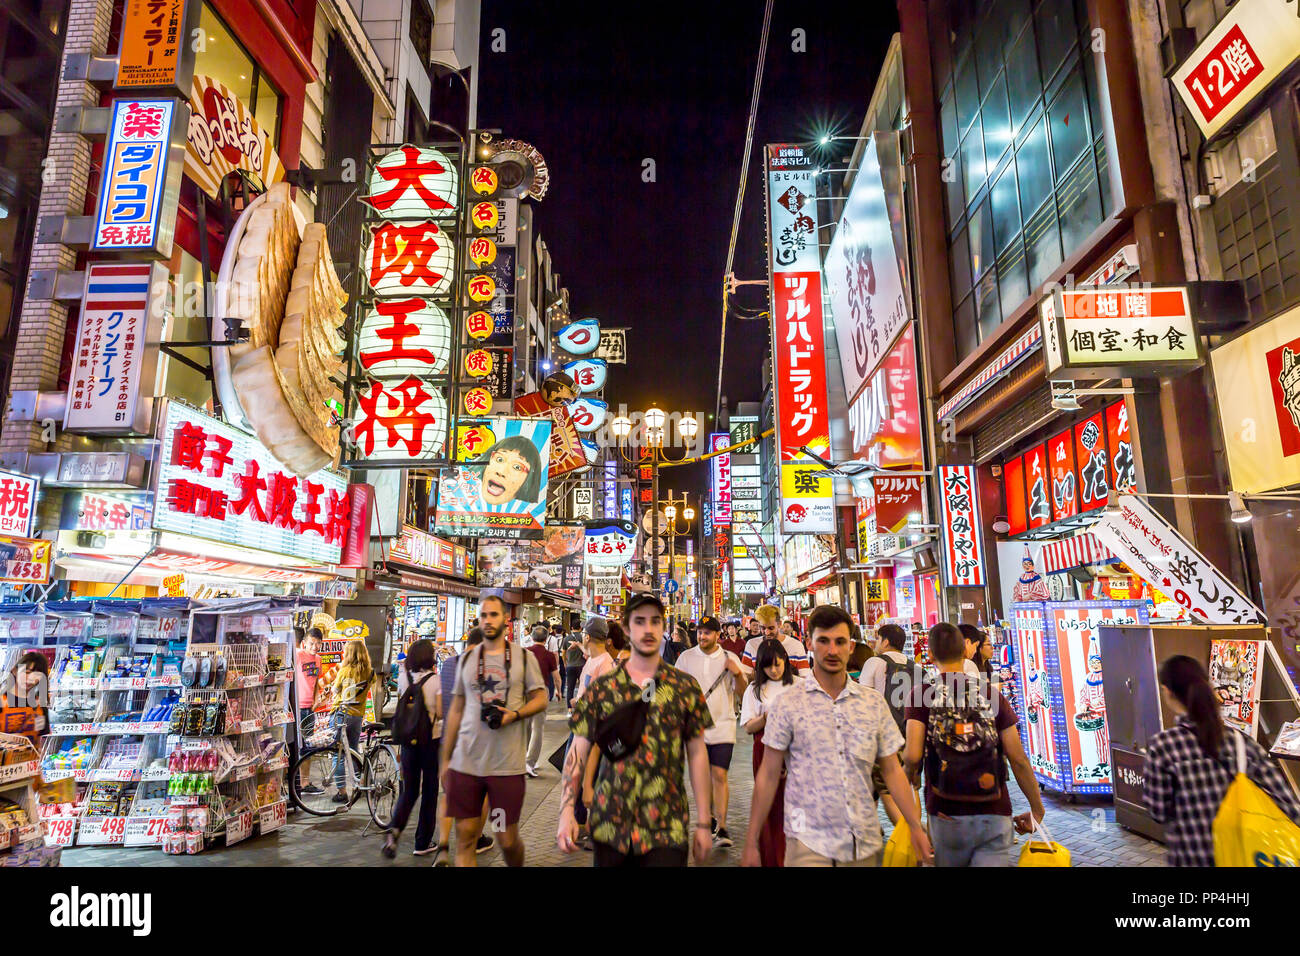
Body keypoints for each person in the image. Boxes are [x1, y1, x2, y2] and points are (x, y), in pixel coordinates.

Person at [742, 605, 929, 867]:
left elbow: (892, 771)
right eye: (823, 641)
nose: (832, 650)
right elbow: (768, 774)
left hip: (860, 842)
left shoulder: (872, 703)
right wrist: (752, 840)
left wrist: (914, 827)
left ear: (851, 647)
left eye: (840, 641)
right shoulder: (788, 704)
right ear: (809, 644)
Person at [558, 594, 715, 867]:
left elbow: (698, 755)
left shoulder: (685, 687)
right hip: (610, 825)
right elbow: (578, 751)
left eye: (655, 621)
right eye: (639, 622)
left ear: (663, 627)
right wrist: (566, 811)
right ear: (628, 629)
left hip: (666, 827)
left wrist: (703, 822)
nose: (648, 629)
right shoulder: (603, 688)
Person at [905, 622, 1046, 867]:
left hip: (945, 813)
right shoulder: (991, 694)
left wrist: (911, 777)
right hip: (994, 811)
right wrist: (1036, 808)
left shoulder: (920, 695)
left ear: (930, 654)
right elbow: (1018, 759)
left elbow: (913, 755)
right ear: (965, 651)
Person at [1145, 655, 1300, 867]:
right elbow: (1288, 804)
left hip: (1190, 857)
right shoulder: (1240, 742)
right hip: (1241, 855)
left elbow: (1158, 811)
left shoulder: (1163, 746)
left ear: (1168, 692)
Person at [440, 594, 548, 867]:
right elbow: (456, 710)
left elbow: (540, 698)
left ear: (505, 620)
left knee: (505, 838)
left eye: (494, 615)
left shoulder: (524, 658)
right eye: (483, 615)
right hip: (466, 765)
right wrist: (445, 759)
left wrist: (515, 715)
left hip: (505, 768)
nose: (488, 620)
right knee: (465, 837)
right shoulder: (466, 660)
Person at [674, 616, 747, 848]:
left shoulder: (730, 658)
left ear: (718, 635)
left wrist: (736, 673)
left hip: (723, 726)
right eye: (700, 632)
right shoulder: (686, 658)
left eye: (707, 632)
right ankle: (710, 817)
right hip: (695, 729)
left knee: (719, 774)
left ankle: (723, 827)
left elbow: (743, 694)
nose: (702, 636)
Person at [739, 639, 800, 866]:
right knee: (770, 806)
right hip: (764, 751)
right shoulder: (754, 691)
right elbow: (747, 727)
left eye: (778, 664)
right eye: (768, 666)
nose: (774, 670)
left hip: (796, 752)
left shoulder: (800, 685)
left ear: (786, 660)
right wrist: (766, 717)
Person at [433, 627, 492, 862]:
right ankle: (475, 840)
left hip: (449, 739)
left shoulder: (447, 665)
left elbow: (439, 708)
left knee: (449, 794)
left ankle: (444, 844)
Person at [858, 623, 923, 825]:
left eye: (878, 639)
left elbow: (864, 699)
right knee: (911, 786)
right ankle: (916, 830)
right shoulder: (917, 668)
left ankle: (911, 835)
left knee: (887, 789)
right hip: (911, 734)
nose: (876, 643)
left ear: (885, 641)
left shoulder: (875, 663)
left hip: (885, 735)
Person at [383, 639, 441, 859]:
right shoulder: (435, 681)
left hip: (408, 742)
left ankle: (394, 830)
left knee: (409, 790)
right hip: (431, 742)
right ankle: (422, 842)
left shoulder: (403, 678)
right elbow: (443, 712)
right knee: (430, 791)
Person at [325, 641, 377, 802]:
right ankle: (358, 785)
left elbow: (335, 690)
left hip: (341, 714)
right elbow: (371, 687)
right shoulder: (370, 672)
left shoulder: (345, 670)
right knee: (353, 750)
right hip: (357, 716)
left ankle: (341, 792)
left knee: (338, 753)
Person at [524, 625, 560, 778]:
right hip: (541, 691)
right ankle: (530, 762)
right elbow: (556, 676)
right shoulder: (549, 655)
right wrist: (558, 690)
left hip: (524, 691)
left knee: (525, 726)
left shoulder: (524, 653)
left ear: (531, 637)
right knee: (537, 728)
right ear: (546, 639)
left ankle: (523, 759)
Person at [741, 604, 808, 676]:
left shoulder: (796, 645)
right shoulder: (752, 645)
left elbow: (805, 677)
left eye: (771, 628)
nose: (767, 632)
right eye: (763, 628)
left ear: (779, 624)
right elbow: (745, 676)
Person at [0, 651, 49, 747]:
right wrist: (11, 740)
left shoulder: (40, 706)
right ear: (14, 671)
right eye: (27, 673)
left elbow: (40, 740)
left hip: (30, 760)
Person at [573, 617, 615, 703]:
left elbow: (605, 700)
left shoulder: (605, 664)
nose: (582, 635)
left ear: (587, 637)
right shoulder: (592, 659)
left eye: (583, 633)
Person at [561, 625, 587, 706]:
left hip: (570, 666)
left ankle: (569, 709)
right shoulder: (584, 638)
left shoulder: (566, 638)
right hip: (582, 666)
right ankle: (582, 706)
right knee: (583, 687)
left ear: (572, 628)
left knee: (570, 688)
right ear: (580, 628)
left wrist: (565, 663)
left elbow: (563, 653)